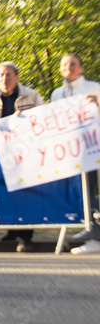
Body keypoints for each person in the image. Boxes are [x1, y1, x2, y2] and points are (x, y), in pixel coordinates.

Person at [0, 61, 46, 252]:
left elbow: (43, 117)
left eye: (8, 75)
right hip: (2, 153)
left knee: (25, 194)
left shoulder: (31, 95)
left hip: (27, 151)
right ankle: (12, 230)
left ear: (17, 77)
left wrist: (27, 120)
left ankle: (26, 237)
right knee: (6, 192)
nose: (4, 78)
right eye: (0, 75)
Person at [49, 53, 100, 255]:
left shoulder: (94, 88)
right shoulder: (57, 93)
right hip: (68, 150)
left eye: (73, 64)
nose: (68, 67)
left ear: (81, 68)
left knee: (88, 189)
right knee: (77, 191)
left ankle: (96, 237)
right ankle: (90, 227)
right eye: (64, 64)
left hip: (90, 148)